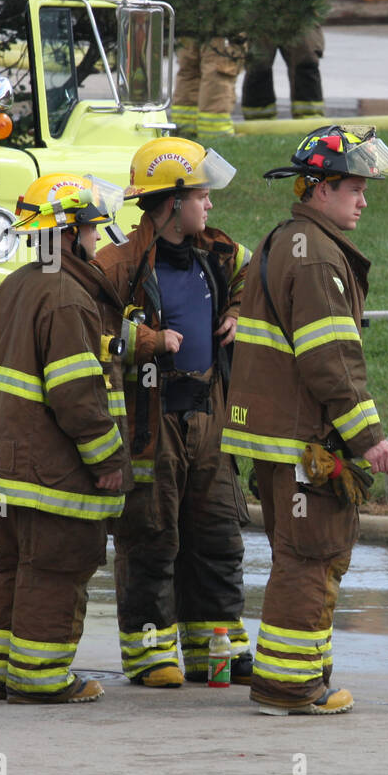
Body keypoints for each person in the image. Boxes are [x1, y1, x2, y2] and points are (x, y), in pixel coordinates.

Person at [220, 125, 388, 715]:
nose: (364, 200)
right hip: (304, 440)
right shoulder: (318, 255)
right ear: (320, 189)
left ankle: (305, 675)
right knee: (312, 556)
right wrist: (368, 438)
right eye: (354, 187)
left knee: (300, 555)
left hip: (277, 438)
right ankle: (290, 686)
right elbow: (332, 359)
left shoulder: (286, 239)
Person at [97, 137, 255, 689]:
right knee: (151, 534)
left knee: (217, 534)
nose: (210, 207)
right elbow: (91, 329)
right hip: (149, 423)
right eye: (202, 197)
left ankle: (217, 648)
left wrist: (237, 312)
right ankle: (150, 654)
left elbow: (251, 283)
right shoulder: (117, 266)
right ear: (172, 202)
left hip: (209, 416)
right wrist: (145, 340)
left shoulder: (221, 255)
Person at [0, 173, 130, 704]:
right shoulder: (66, 297)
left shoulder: (14, 286)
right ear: (67, 233)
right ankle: (40, 681)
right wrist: (108, 458)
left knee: (13, 567)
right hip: (51, 471)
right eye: (90, 228)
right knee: (56, 568)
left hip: (6, 467)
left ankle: (1, 672)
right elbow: (78, 396)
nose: (96, 239)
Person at [241, 0, 325, 121]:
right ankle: (259, 120)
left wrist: (302, 1)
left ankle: (310, 118)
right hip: (259, 6)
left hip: (298, 3)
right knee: (258, 64)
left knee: (306, 60)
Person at [172, 37, 243, 138]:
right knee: (219, 67)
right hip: (218, 27)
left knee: (189, 64)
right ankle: (216, 132)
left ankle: (185, 127)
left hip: (188, 24)